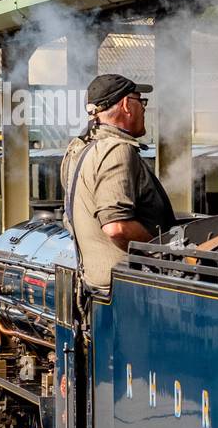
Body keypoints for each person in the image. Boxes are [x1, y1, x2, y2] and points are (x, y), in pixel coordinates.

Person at [60, 73, 176, 292]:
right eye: (140, 101)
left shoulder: (78, 150)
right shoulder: (117, 149)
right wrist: (164, 250)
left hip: (98, 282)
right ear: (126, 105)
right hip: (129, 288)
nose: (143, 108)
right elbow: (116, 227)